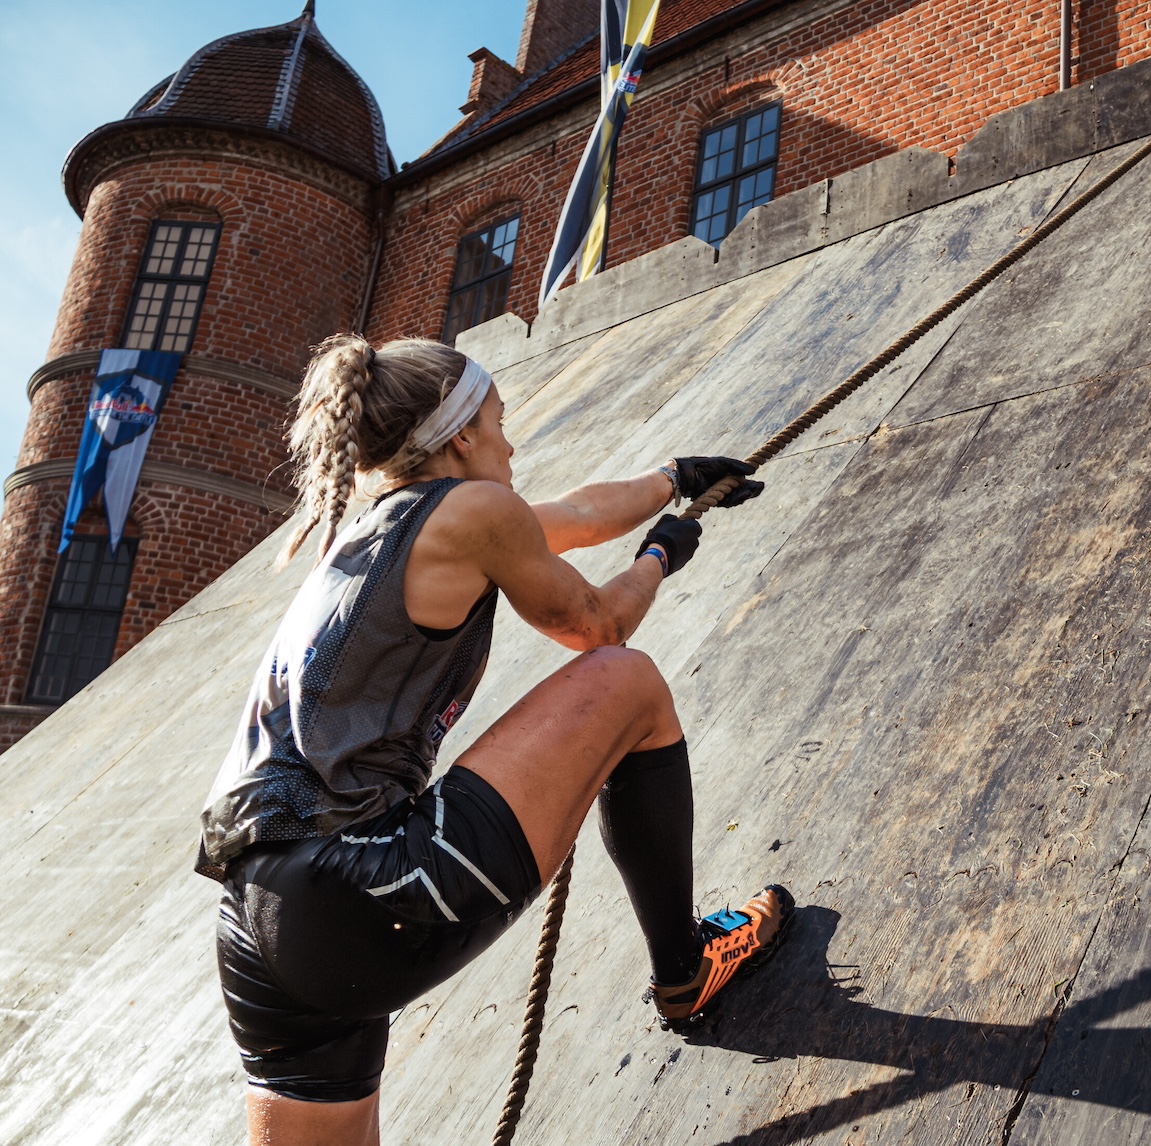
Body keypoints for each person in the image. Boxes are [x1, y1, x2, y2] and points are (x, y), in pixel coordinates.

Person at [196, 335, 794, 1145]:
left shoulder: (370, 531)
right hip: (361, 880)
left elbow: (576, 518)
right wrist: (658, 555)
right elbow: (600, 627)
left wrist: (675, 478)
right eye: (499, 421)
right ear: (461, 436)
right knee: (629, 683)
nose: (510, 443)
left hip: (258, 912)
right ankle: (683, 971)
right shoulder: (475, 512)